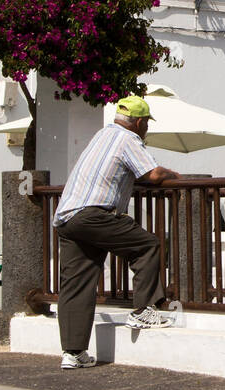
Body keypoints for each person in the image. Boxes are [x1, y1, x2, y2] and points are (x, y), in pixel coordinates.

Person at [51, 95, 181, 369]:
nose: (146, 129)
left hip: (66, 217)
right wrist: (175, 175)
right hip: (93, 214)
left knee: (77, 283)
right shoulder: (128, 139)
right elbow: (152, 174)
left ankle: (73, 353)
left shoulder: (102, 135)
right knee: (147, 245)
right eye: (147, 124)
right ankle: (144, 310)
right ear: (140, 122)